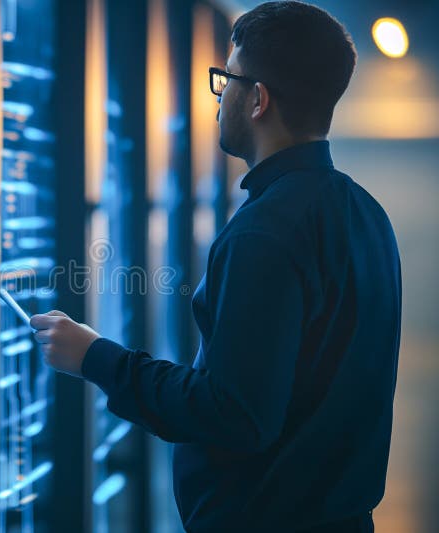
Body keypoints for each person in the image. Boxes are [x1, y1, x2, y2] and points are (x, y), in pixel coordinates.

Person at [30, 1, 401, 531]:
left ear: (258, 100)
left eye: (226, 79)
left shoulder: (265, 231)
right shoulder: (367, 214)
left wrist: (95, 358)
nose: (220, 95)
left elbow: (234, 414)